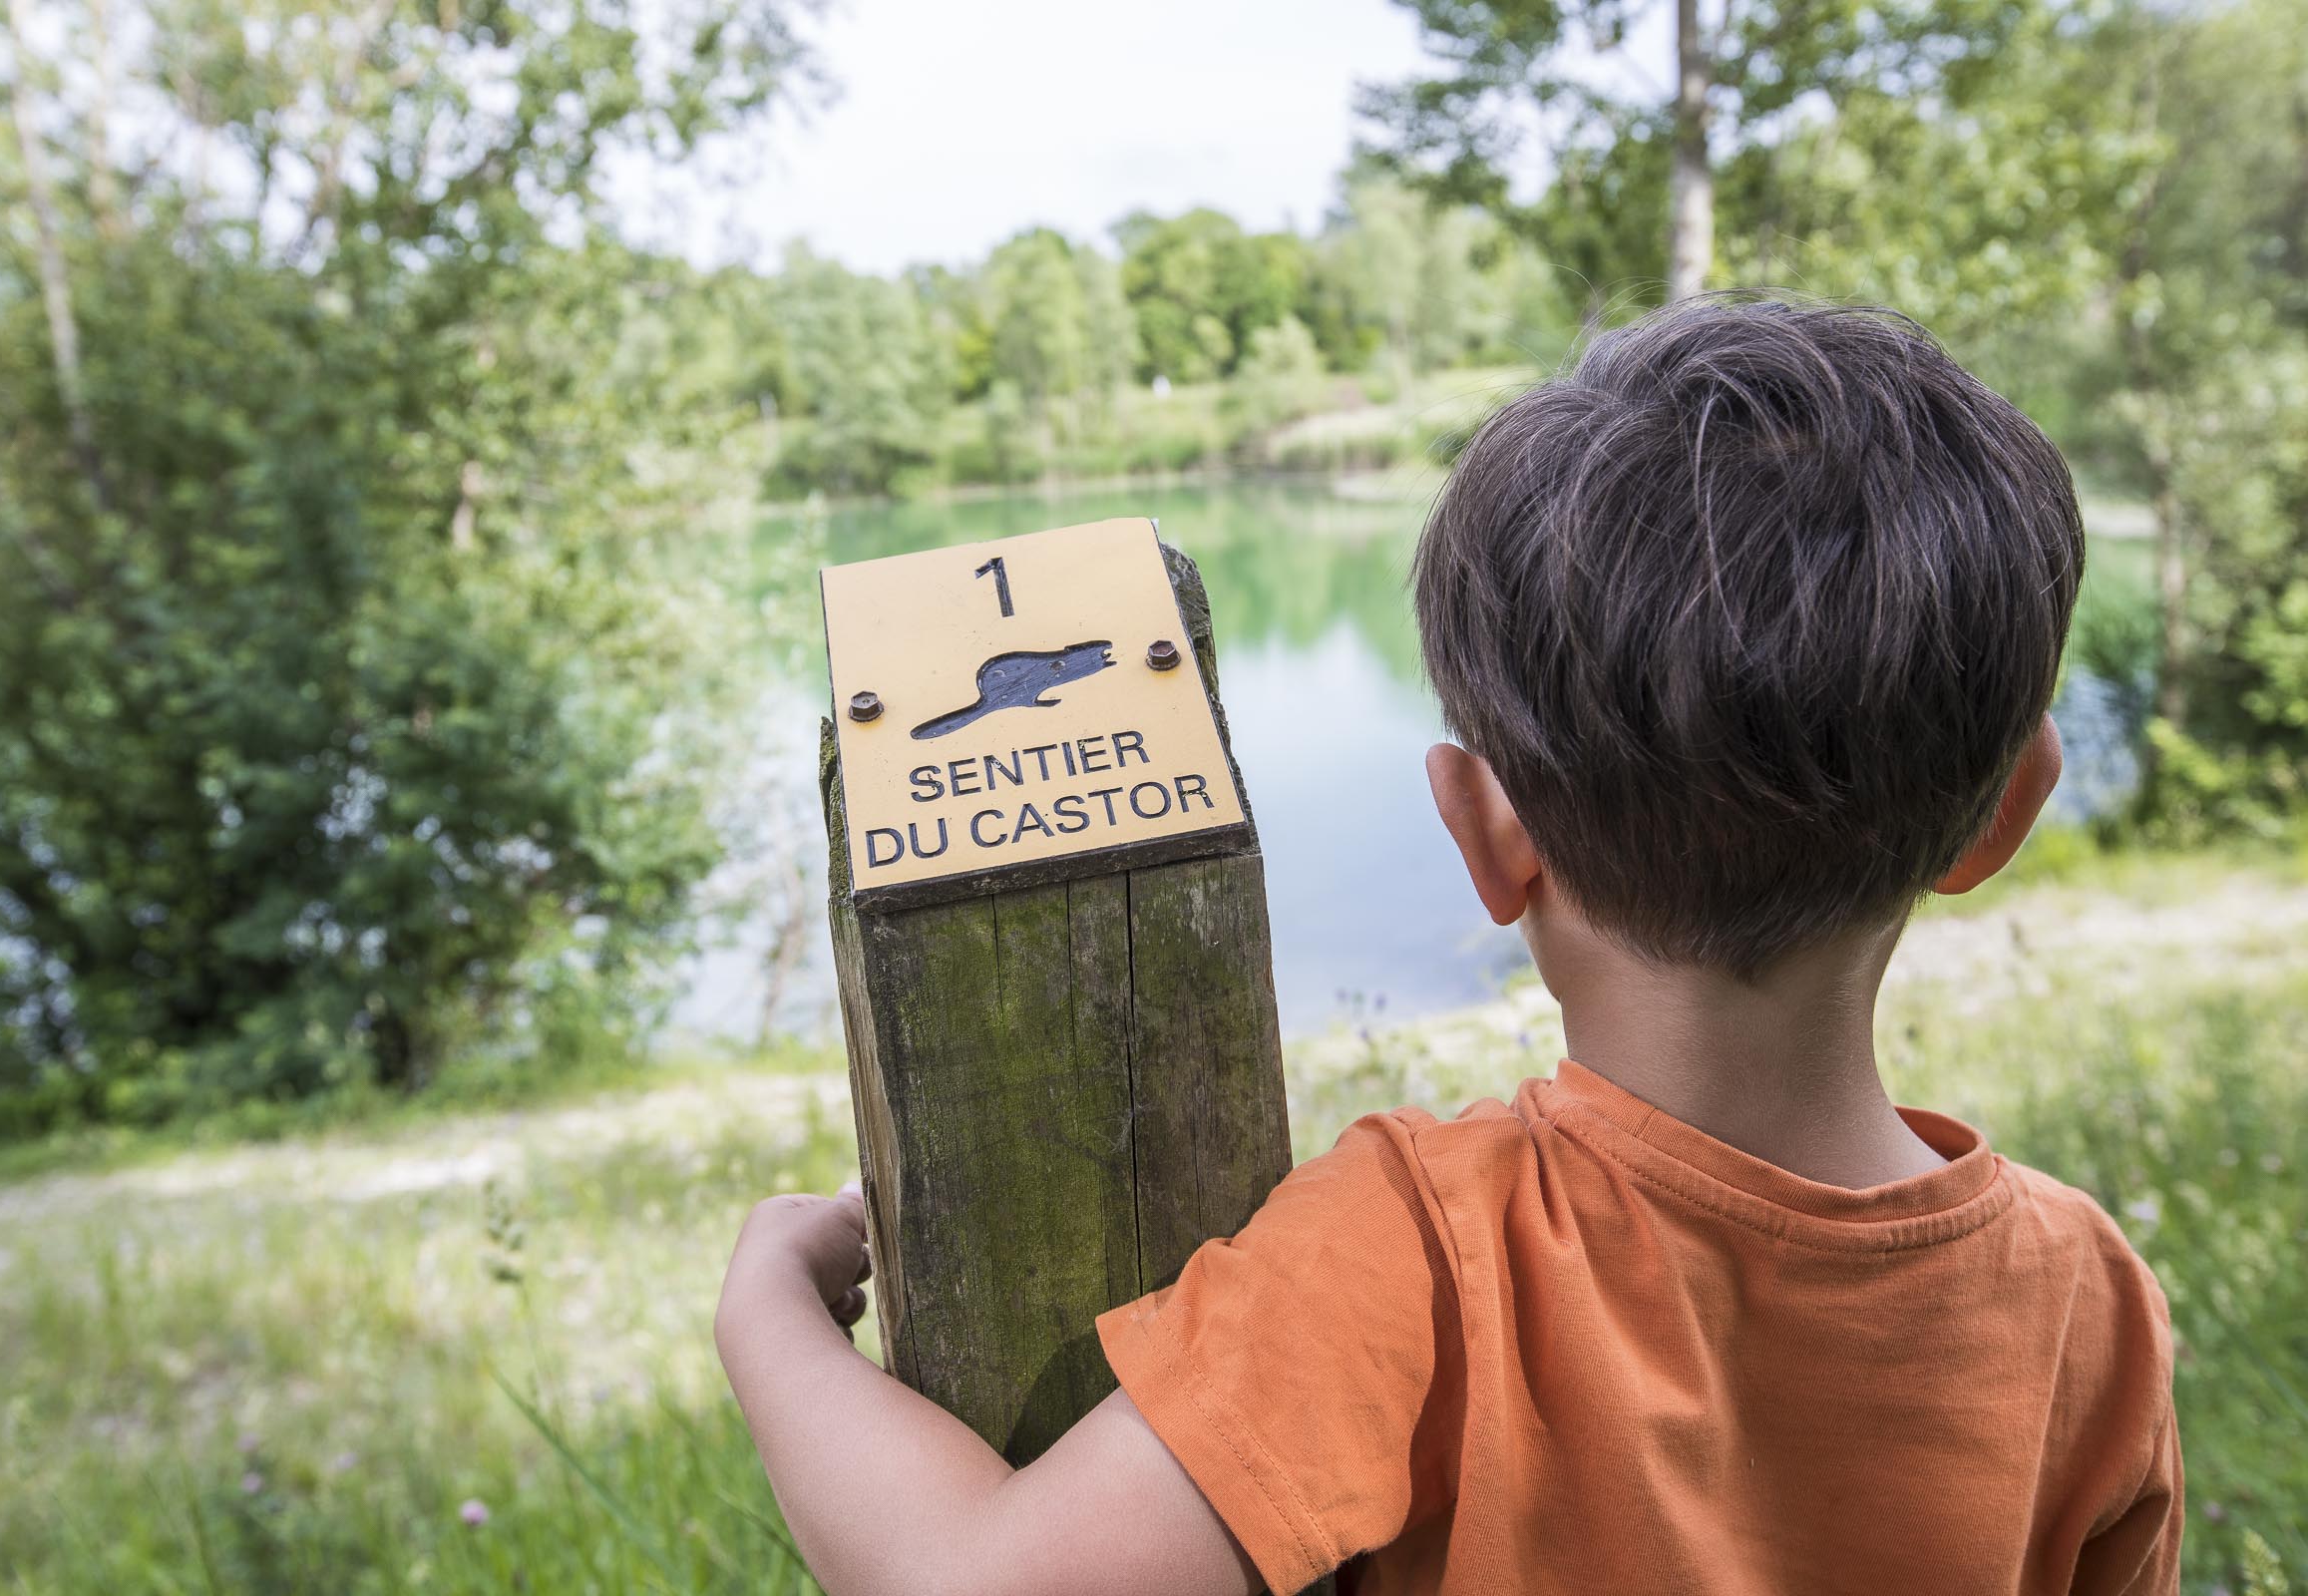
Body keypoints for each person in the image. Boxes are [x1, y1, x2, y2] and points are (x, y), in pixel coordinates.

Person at [712, 297, 2182, 1596]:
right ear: (2009, 812)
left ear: (1486, 833)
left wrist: (769, 1314)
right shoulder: (2088, 1304)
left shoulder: (1419, 1254)